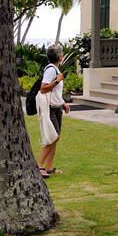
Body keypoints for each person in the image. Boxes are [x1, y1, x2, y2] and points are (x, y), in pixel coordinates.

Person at [35, 45, 71, 178]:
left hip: (56, 106)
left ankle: (49, 167)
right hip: (49, 107)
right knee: (53, 137)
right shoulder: (51, 70)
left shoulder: (55, 69)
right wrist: (57, 80)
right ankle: (39, 166)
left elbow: (55, 92)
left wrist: (63, 103)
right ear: (60, 57)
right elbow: (43, 89)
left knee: (55, 138)